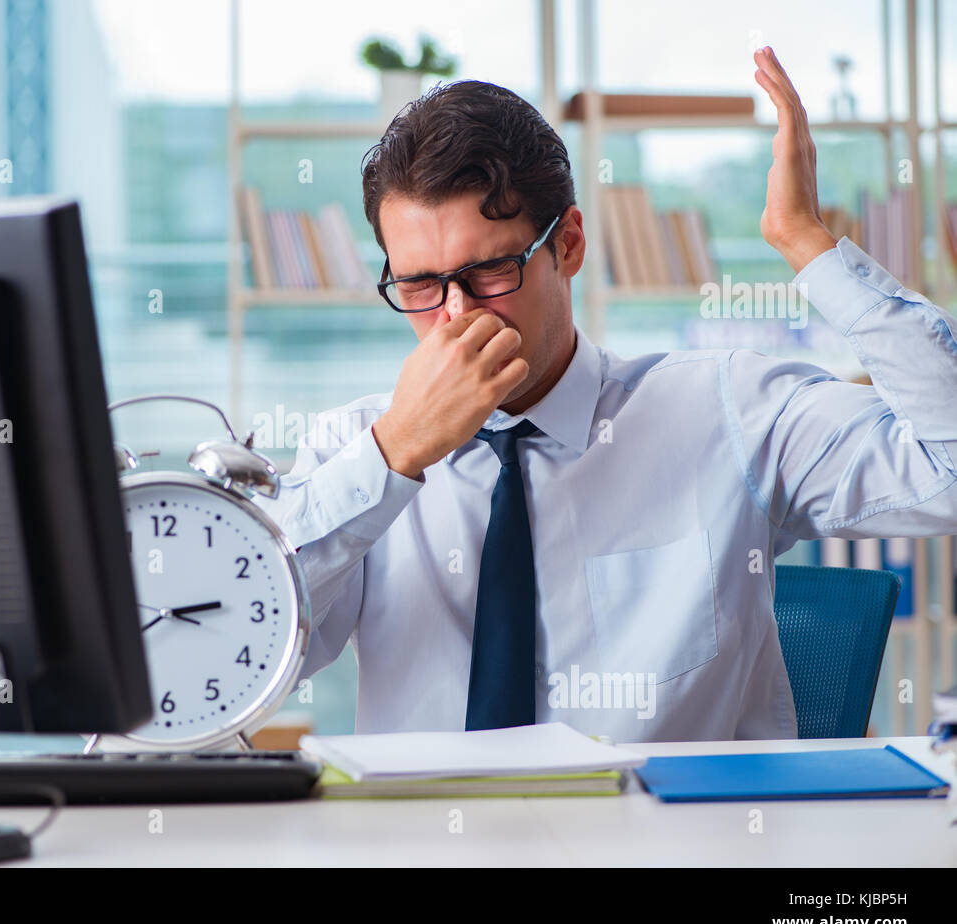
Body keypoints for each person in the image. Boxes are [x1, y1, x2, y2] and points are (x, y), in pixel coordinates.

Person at [257, 47, 957, 741]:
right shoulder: (352, 451)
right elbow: (242, 660)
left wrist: (807, 244)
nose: (455, 316)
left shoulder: (729, 412)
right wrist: (392, 455)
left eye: (490, 271)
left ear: (568, 245)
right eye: (418, 285)